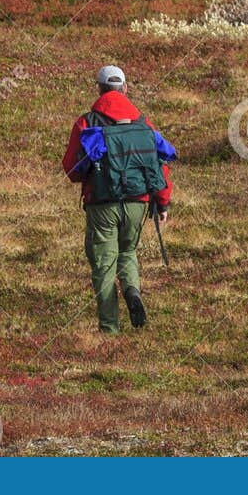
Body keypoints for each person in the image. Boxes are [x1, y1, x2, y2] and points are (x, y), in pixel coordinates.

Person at [62, 64, 175, 335]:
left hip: (102, 203)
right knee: (128, 252)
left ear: (100, 90)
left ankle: (109, 328)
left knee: (103, 264)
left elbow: (72, 169)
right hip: (138, 202)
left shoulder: (87, 121)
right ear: (125, 88)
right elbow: (158, 163)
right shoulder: (143, 122)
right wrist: (163, 201)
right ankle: (133, 291)